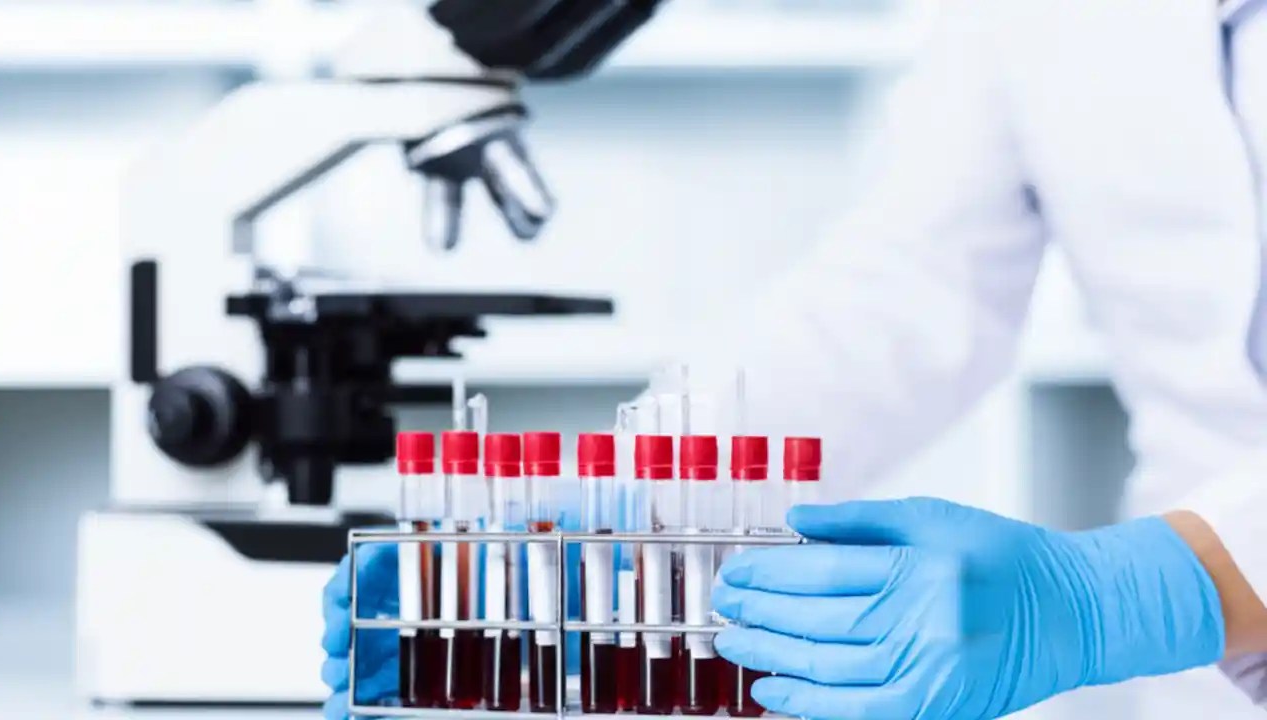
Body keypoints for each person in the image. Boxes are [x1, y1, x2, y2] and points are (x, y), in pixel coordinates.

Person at [321, 0, 1267, 717]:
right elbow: (908, 286)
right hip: (1201, 680)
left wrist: (1153, 587)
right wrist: (638, 503)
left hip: (1195, 593)